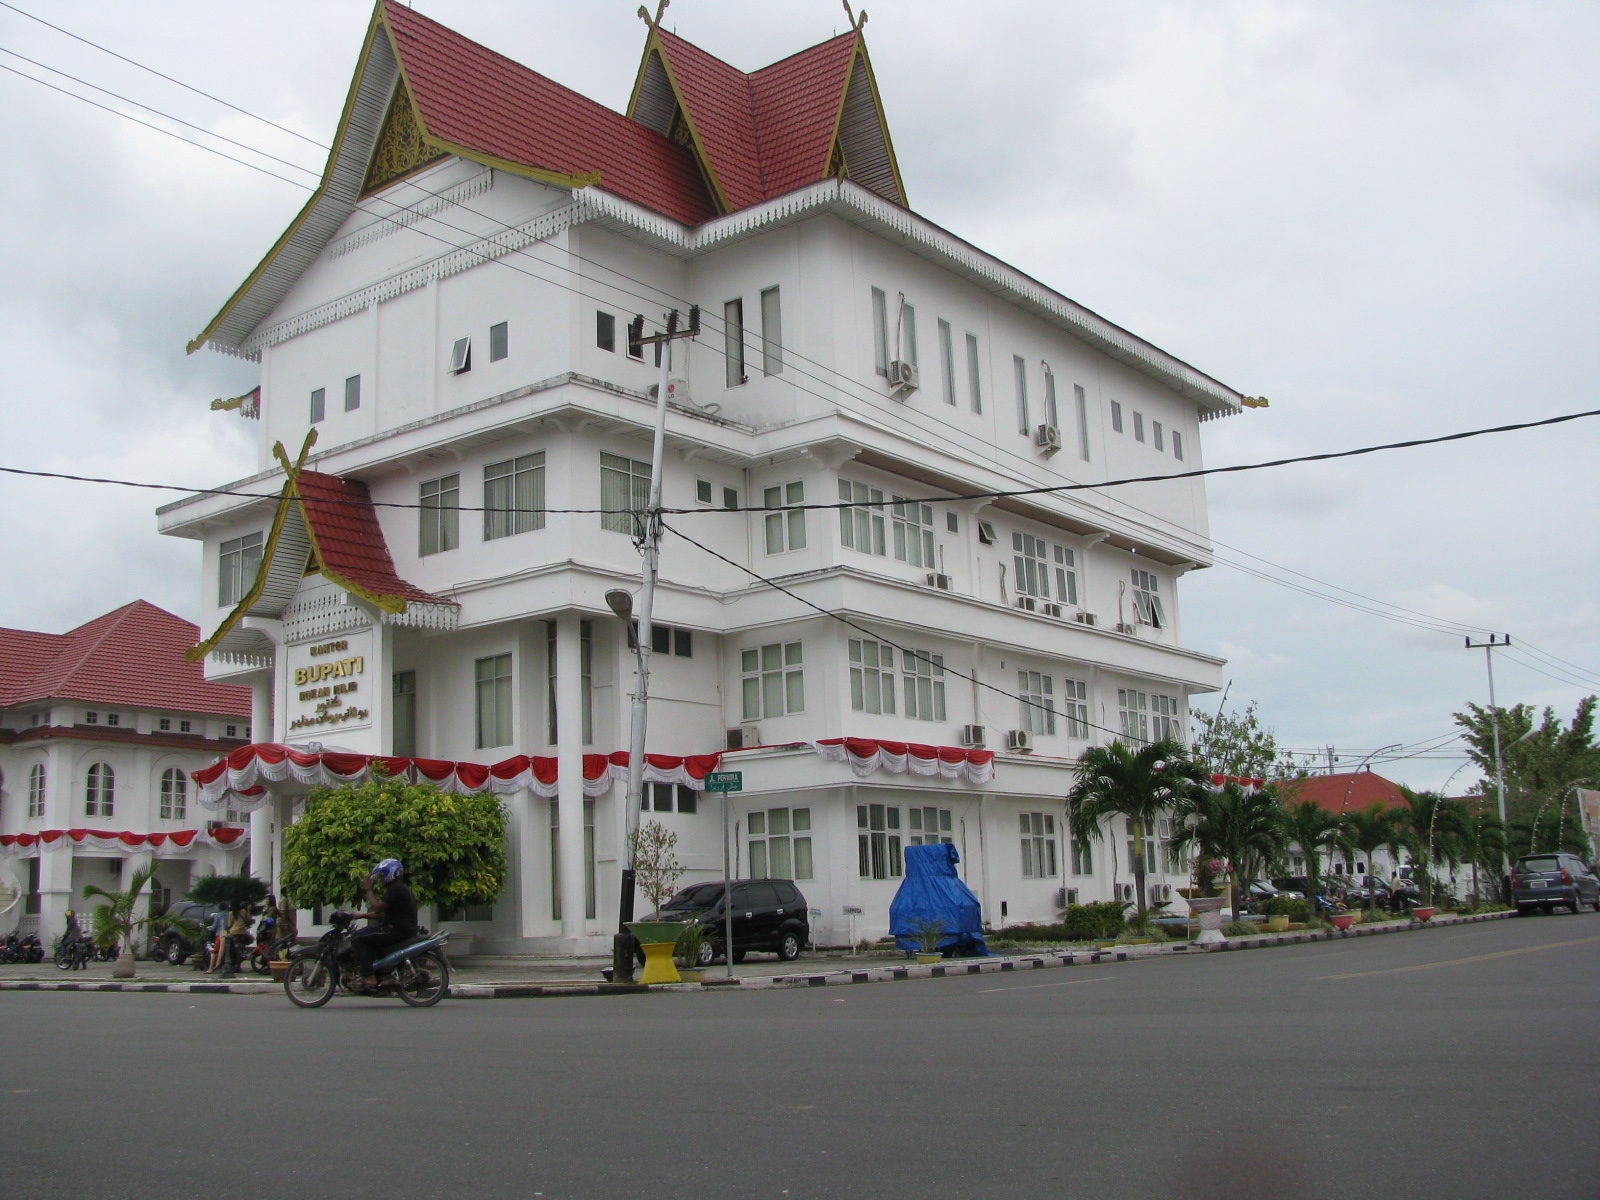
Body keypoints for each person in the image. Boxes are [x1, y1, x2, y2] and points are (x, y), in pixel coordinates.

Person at [349, 859, 418, 990]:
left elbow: (377, 908)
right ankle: (381, 973)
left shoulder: (396, 889)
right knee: (362, 933)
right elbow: (383, 914)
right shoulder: (399, 889)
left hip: (395, 930)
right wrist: (360, 916)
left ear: (390, 874)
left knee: (358, 940)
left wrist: (368, 889)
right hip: (398, 928)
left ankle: (370, 977)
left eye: (381, 876)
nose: (380, 880)